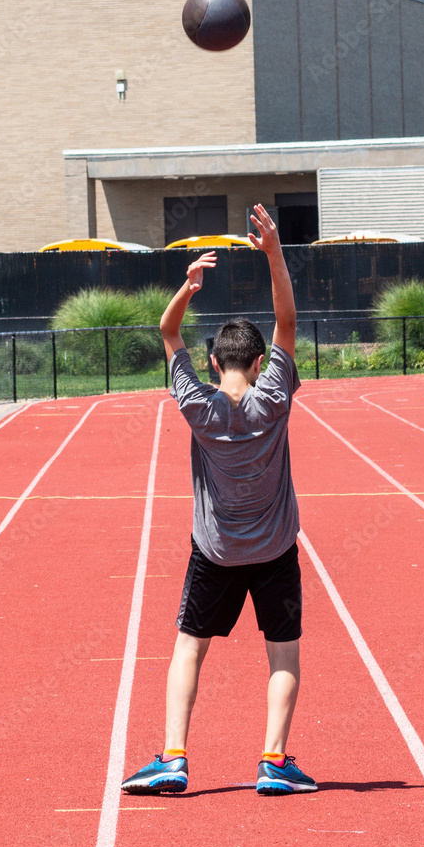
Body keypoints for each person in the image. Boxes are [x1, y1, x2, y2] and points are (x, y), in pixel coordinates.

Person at [121, 204, 316, 796]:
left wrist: (187, 285)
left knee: (189, 649)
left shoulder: (197, 406)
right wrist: (275, 254)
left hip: (215, 552)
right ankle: (273, 762)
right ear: (260, 364)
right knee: (282, 654)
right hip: (276, 548)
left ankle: (174, 759)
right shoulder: (274, 395)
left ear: (212, 362)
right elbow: (286, 320)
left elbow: (167, 331)